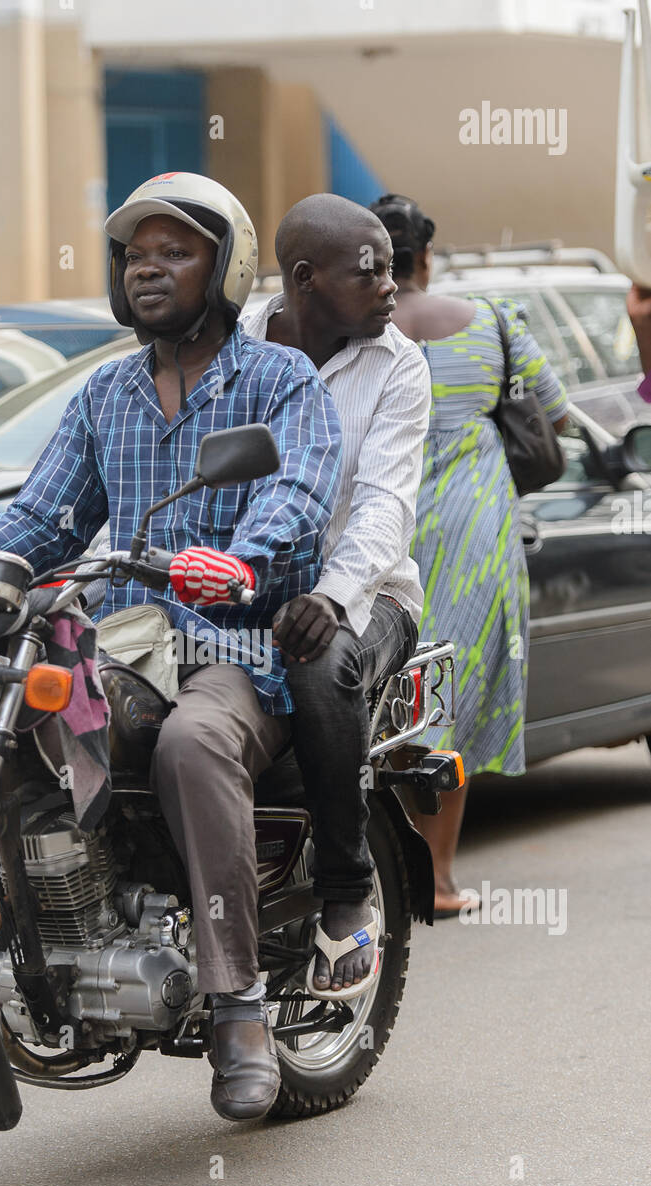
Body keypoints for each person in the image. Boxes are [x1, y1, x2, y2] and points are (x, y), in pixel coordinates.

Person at [0, 171, 343, 1122]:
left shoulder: (278, 380)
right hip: (121, 647)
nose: (150, 270)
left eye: (177, 252)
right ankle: (16, 947)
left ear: (226, 268)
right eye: (135, 254)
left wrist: (239, 564)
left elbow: (296, 494)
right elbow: (41, 515)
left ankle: (238, 1004)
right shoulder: (105, 395)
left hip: (231, 648)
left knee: (192, 744)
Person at [241, 194, 427, 997]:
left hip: (371, 593)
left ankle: (346, 896)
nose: (392, 285)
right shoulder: (235, 344)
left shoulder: (398, 364)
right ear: (305, 280)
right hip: (245, 592)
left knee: (320, 666)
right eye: (372, 270)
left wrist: (333, 595)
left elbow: (386, 503)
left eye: (392, 267)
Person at [371, 193, 569, 916]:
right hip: (472, 532)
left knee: (378, 698)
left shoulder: (349, 331)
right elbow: (555, 414)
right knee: (444, 696)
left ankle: (376, 871)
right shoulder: (489, 323)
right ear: (426, 256)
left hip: (380, 530)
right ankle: (440, 879)